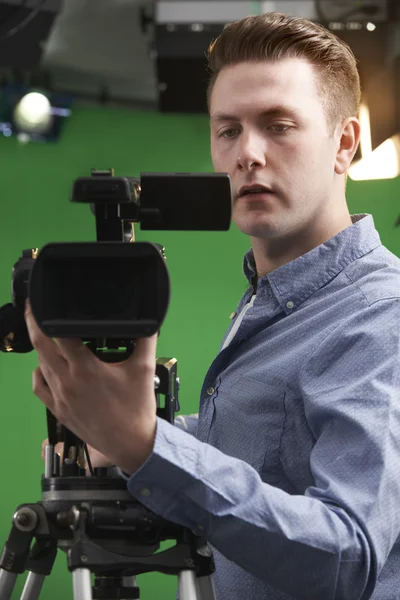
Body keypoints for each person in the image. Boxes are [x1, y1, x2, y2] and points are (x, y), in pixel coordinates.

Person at [30, 11, 400, 600]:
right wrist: (136, 435)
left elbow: (346, 555)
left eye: (278, 125)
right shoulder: (274, 293)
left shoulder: (381, 314)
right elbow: (270, 449)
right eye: (228, 130)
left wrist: (149, 447)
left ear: (344, 143)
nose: (247, 153)